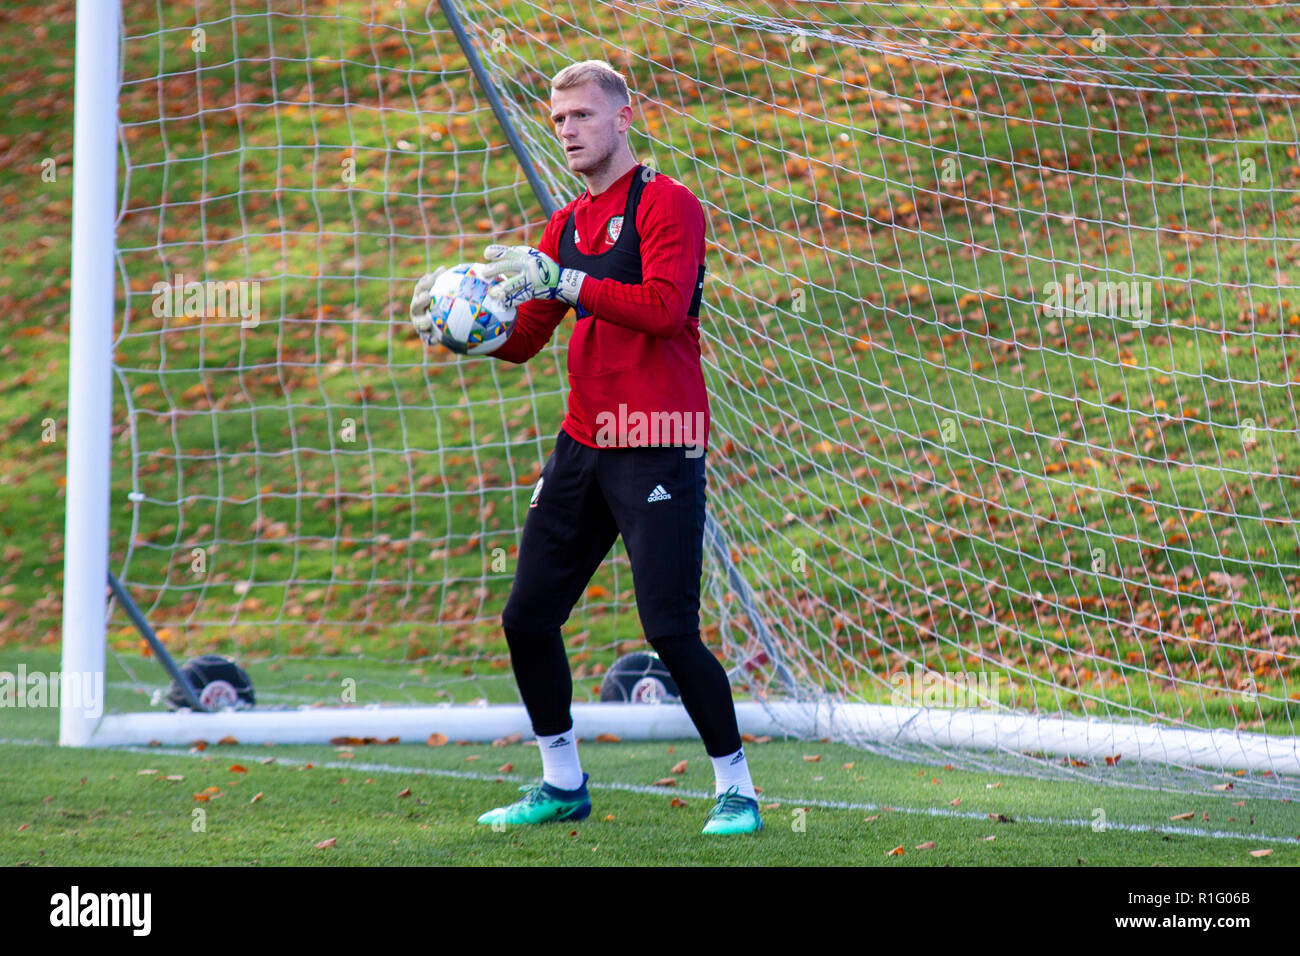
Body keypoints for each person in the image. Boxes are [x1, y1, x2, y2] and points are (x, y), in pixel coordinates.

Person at [471, 59, 759, 834]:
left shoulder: (669, 205)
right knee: (527, 617)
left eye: (583, 116)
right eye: (559, 119)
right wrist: (471, 326)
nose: (568, 129)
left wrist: (561, 281)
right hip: (582, 443)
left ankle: (738, 787)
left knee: (668, 629)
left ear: (624, 117)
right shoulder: (565, 223)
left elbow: (664, 310)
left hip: (658, 441)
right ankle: (562, 784)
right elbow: (529, 337)